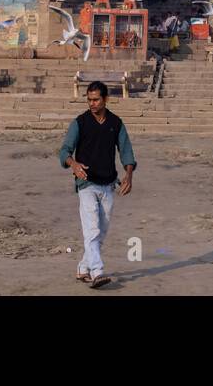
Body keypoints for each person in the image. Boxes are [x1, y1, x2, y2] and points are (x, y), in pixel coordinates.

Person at [59, 80, 136, 289]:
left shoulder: (116, 123)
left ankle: (83, 268)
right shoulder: (79, 123)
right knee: (92, 230)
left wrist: (128, 175)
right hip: (86, 185)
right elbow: (64, 151)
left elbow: (126, 151)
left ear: (105, 99)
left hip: (109, 184)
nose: (92, 104)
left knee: (101, 232)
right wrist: (73, 164)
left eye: (96, 100)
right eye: (89, 100)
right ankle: (97, 272)